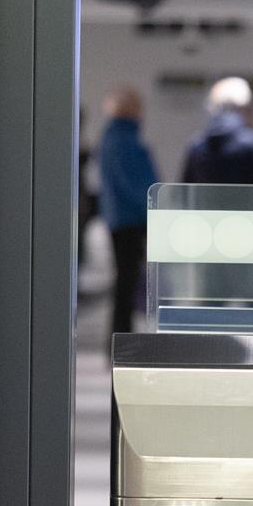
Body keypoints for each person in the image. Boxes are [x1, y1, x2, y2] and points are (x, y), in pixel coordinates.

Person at [96, 86, 159, 336]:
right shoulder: (121, 139)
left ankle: (122, 337)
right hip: (128, 221)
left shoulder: (116, 137)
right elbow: (132, 183)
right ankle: (121, 339)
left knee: (127, 283)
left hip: (124, 219)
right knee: (126, 283)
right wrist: (152, 208)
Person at [181, 76, 253, 186]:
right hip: (243, 204)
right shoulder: (250, 144)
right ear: (244, 107)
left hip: (206, 204)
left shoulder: (196, 145)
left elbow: (183, 193)